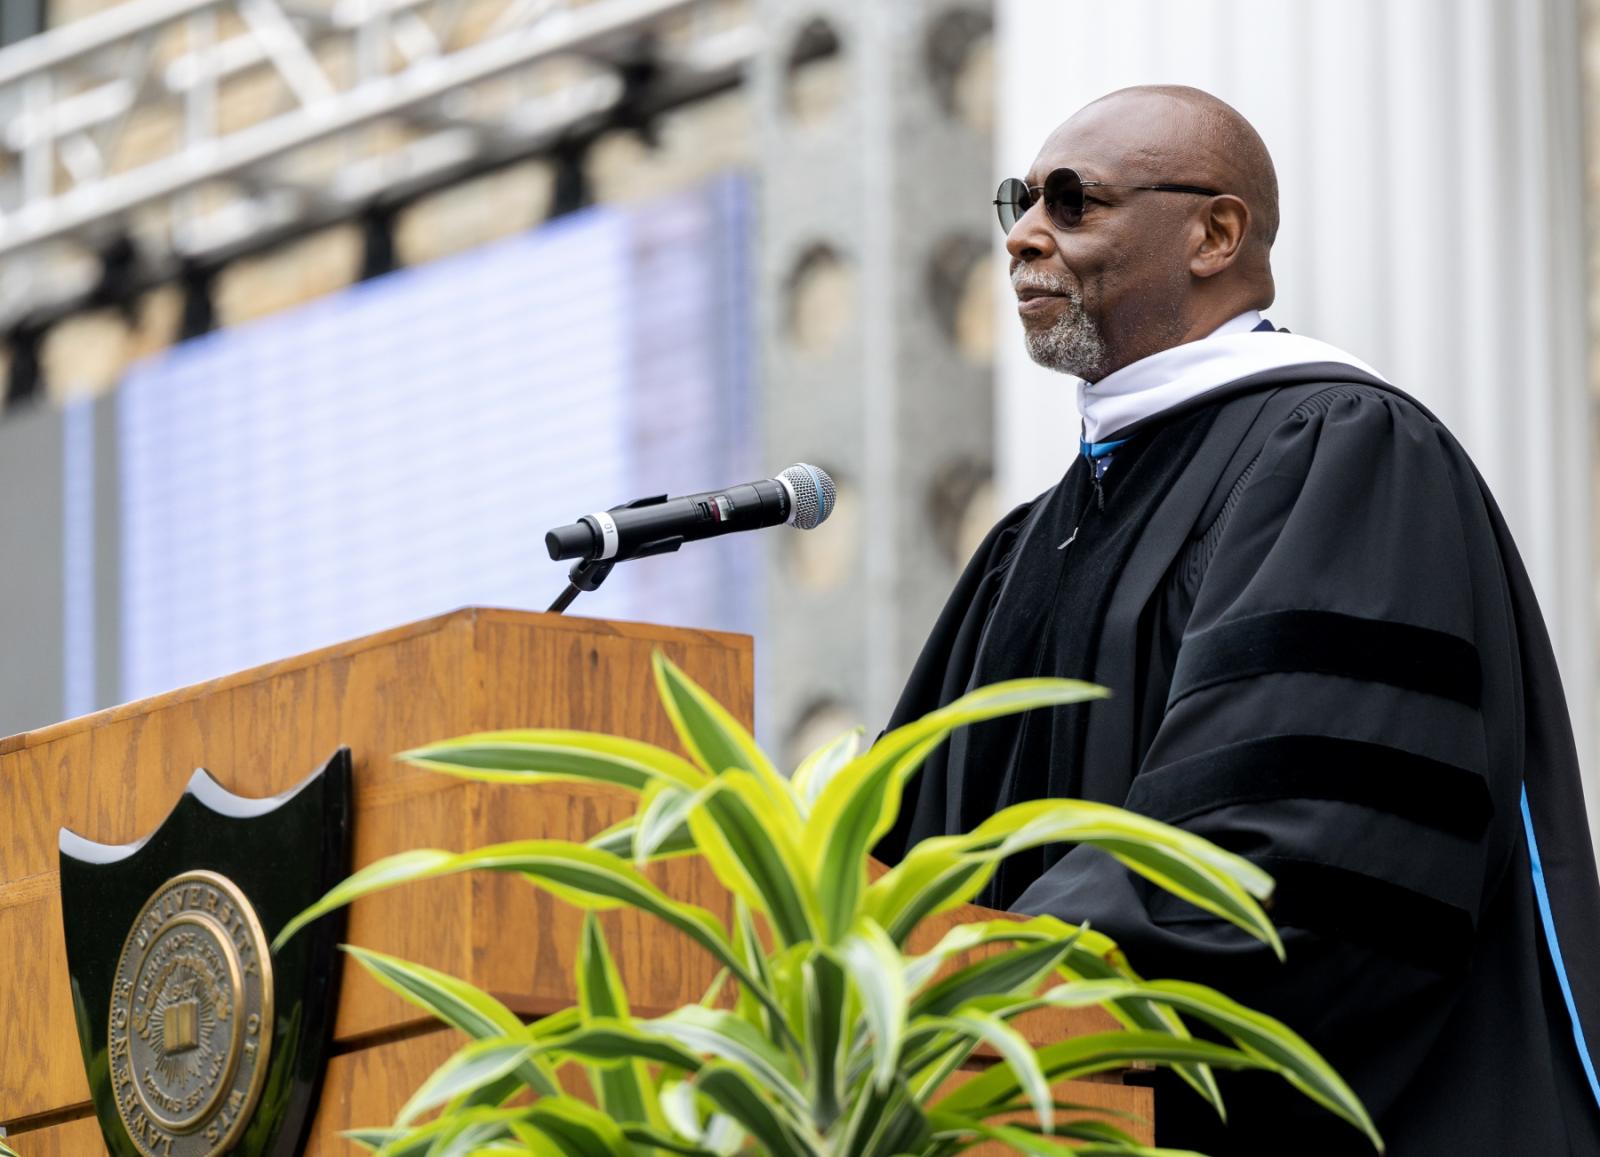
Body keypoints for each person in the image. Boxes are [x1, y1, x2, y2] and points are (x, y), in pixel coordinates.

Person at [874, 85, 1600, 1155]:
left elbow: (1305, 845)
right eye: (1019, 203)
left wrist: (1002, 971)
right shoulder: (1029, 543)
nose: (1024, 235)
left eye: (1073, 202)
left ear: (1214, 234)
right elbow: (904, 846)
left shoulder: (1343, 451)